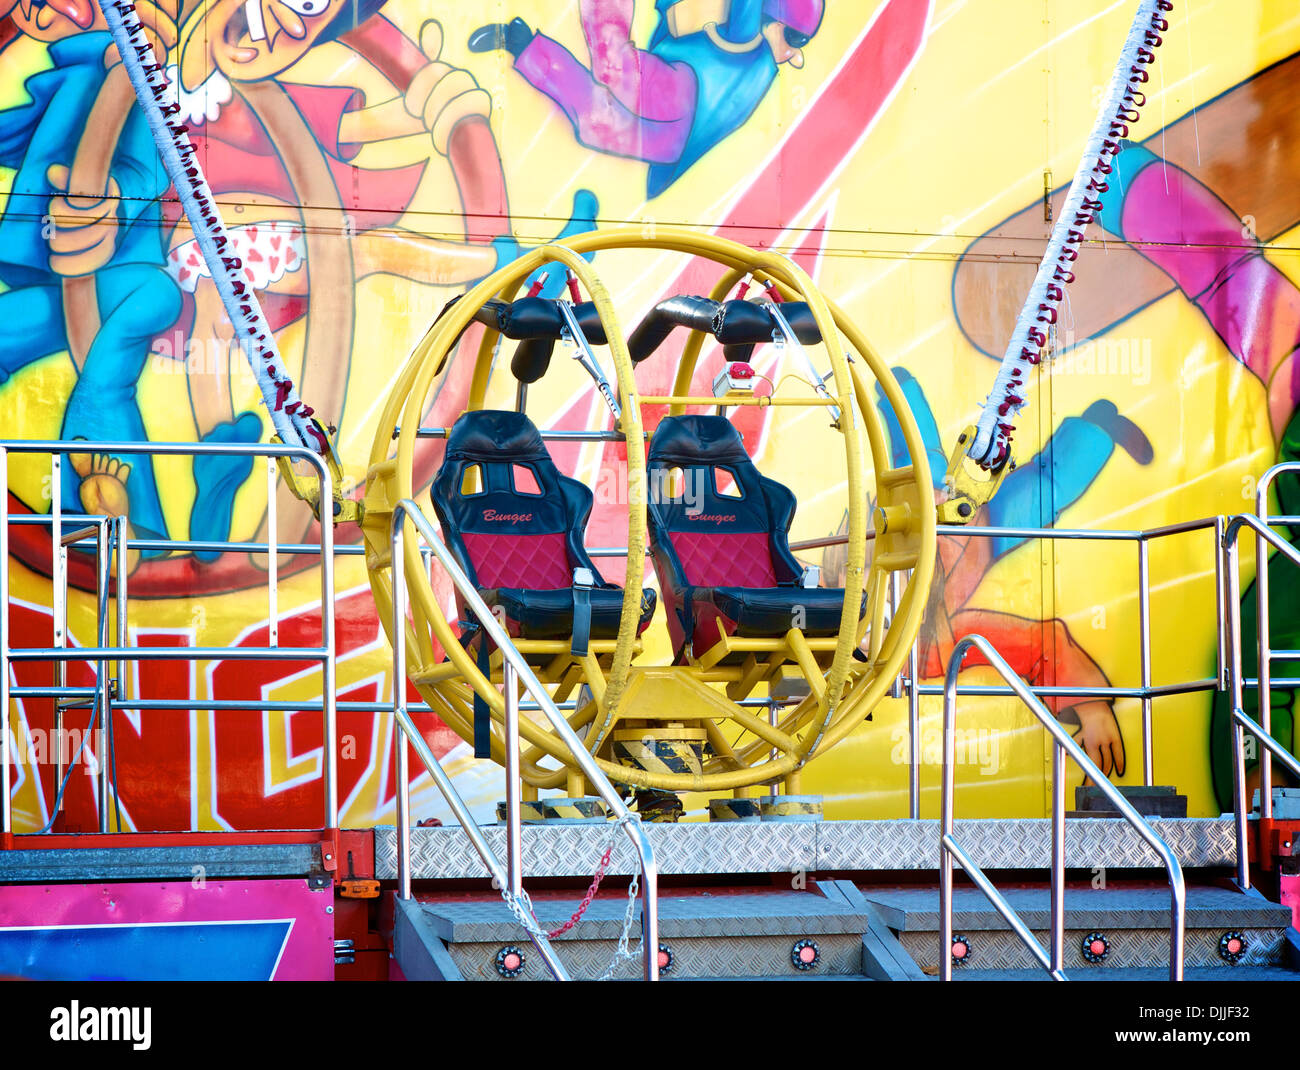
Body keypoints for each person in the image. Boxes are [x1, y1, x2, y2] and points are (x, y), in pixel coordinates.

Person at [469, 0, 822, 198]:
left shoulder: (761, 61)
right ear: (773, 20)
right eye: (796, 38)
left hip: (673, 141)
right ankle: (527, 43)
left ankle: (522, 43)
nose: (795, 53)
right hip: (680, 94)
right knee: (615, 68)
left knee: (596, 125)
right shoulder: (750, 41)